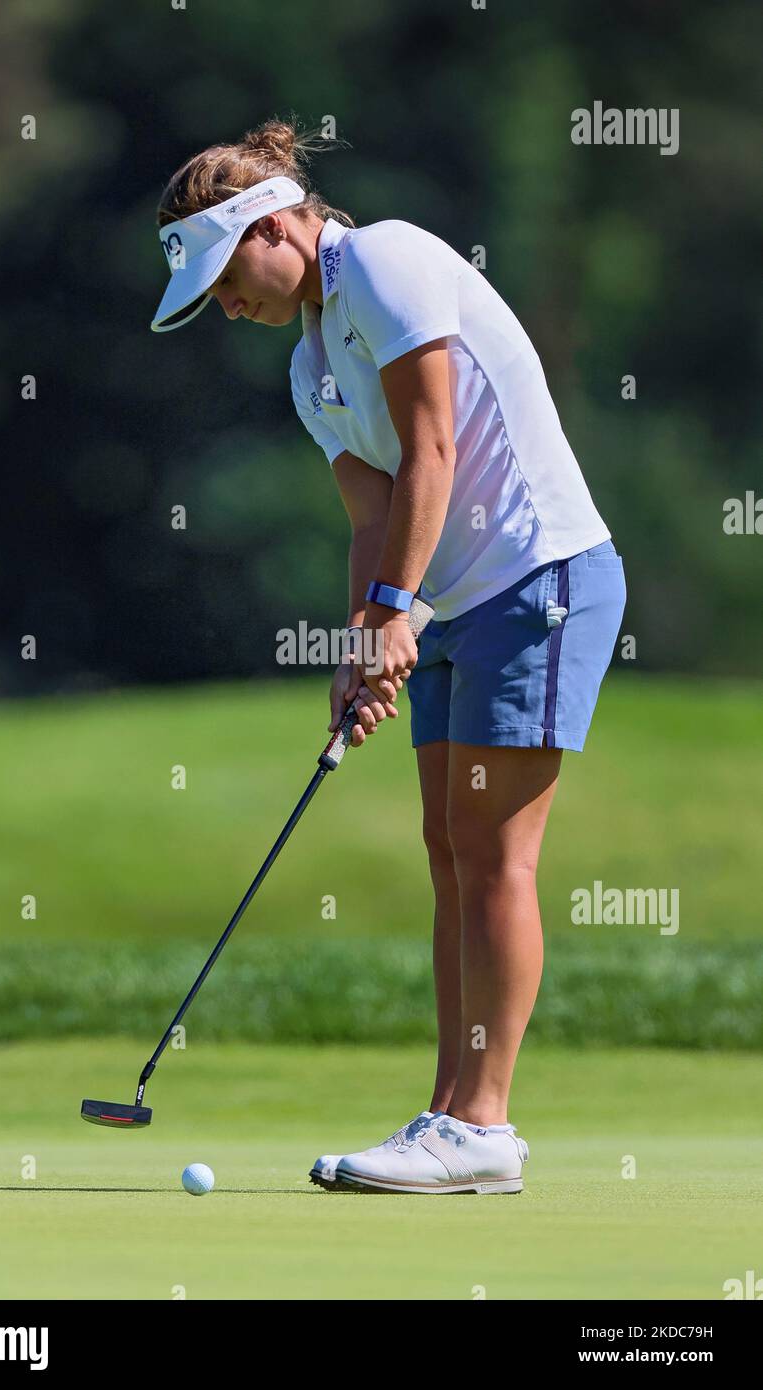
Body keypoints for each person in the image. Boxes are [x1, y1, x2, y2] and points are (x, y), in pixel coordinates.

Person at [151, 119, 626, 1194]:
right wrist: (360, 641)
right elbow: (372, 517)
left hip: (538, 580)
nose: (227, 308)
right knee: (447, 850)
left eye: (225, 282)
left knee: (494, 854)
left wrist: (393, 613)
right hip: (451, 606)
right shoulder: (308, 365)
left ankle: (483, 1125)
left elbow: (432, 450)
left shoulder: (385, 260)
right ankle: (447, 1118)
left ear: (273, 229)